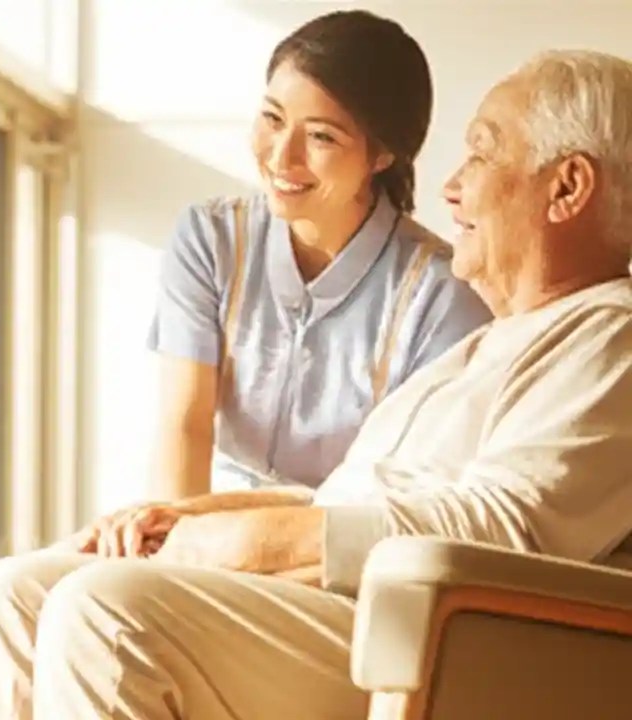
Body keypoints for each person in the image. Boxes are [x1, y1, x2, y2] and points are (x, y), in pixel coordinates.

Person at [0, 48, 632, 719]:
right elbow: (352, 497)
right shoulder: (484, 346)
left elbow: (503, 532)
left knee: (108, 614)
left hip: (427, 637)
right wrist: (195, 518)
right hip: (355, 606)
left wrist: (255, 544)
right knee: (11, 595)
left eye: (482, 153)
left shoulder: (610, 335)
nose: (451, 187)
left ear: (567, 187)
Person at [90, 10, 491, 558]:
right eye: (273, 119)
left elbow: (408, 489)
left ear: (383, 153)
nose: (282, 157)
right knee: (11, 591)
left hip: (323, 558)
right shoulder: (210, 239)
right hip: (199, 530)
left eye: (322, 136)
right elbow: (186, 425)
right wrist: (167, 554)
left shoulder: (442, 297)